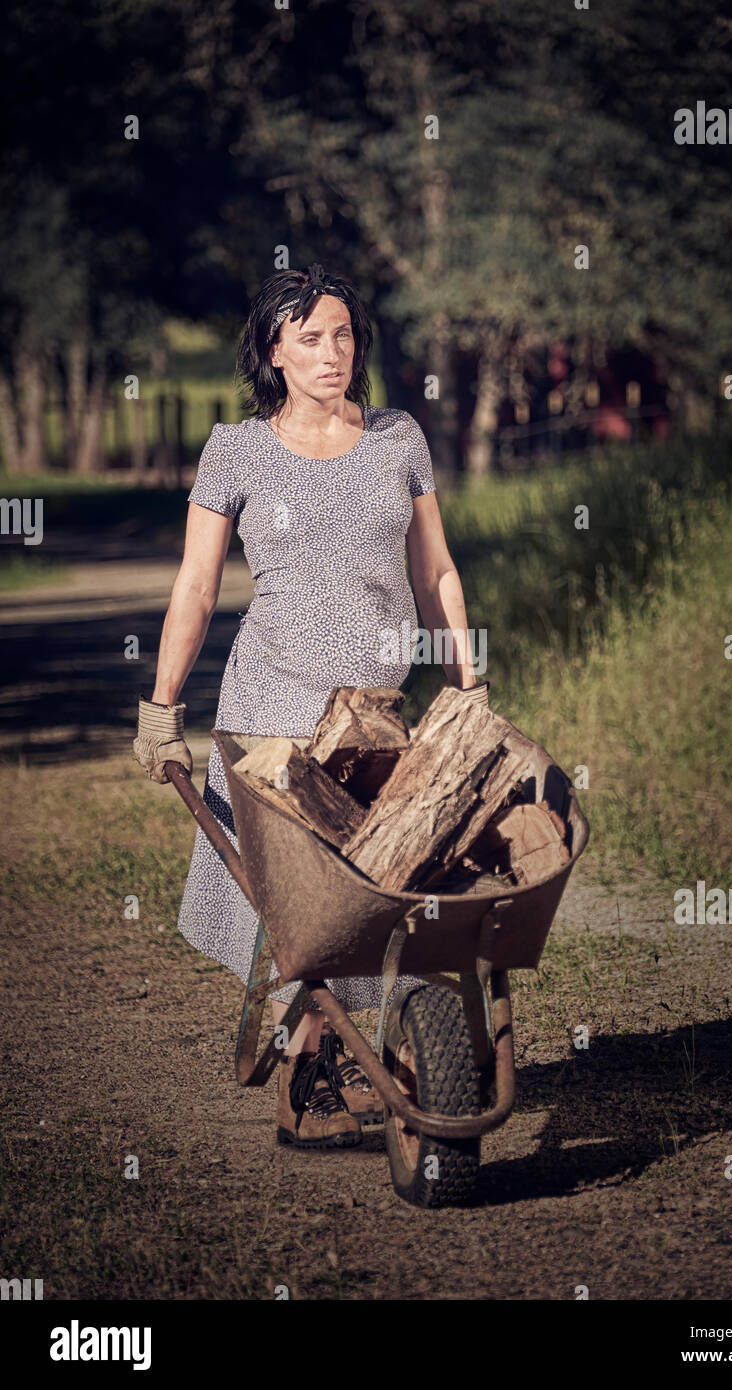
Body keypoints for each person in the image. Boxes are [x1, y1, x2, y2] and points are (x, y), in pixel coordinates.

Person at [133, 262, 489, 1150]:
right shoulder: (237, 450)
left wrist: (464, 688)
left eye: (342, 334)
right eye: (309, 337)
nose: (332, 352)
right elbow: (198, 582)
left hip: (372, 712)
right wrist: (162, 707)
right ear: (273, 351)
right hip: (272, 707)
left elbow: (435, 570)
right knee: (308, 904)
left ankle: (308, 1054)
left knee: (368, 892)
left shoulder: (399, 439)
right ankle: (313, 1058)